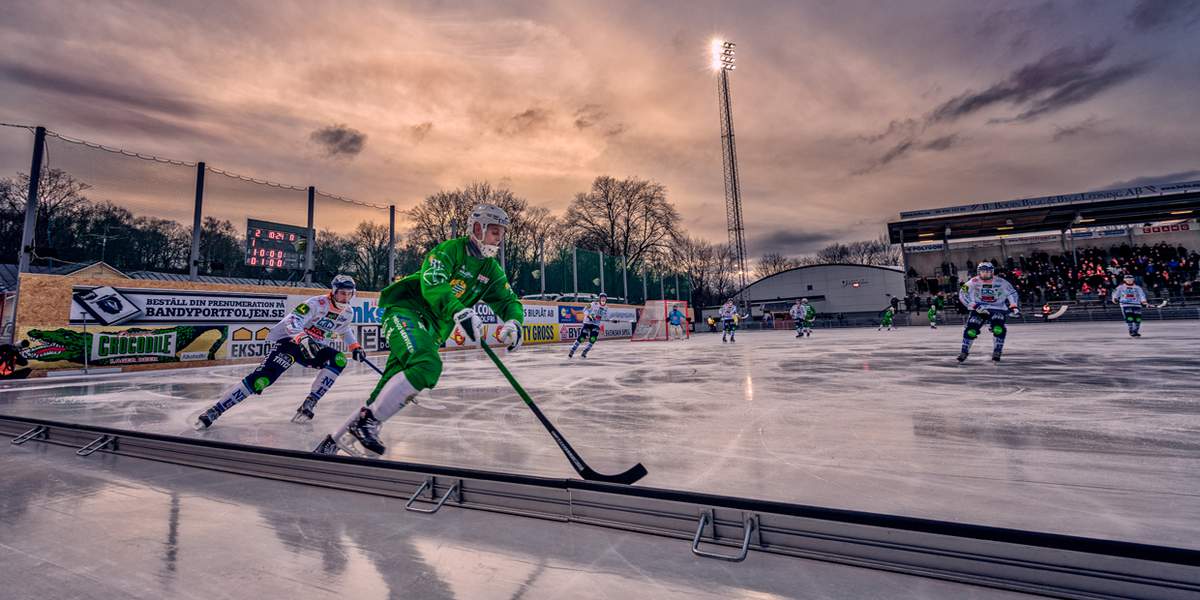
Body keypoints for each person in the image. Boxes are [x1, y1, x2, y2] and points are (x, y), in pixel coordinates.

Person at [314, 204, 523, 457]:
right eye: (494, 231)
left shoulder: (490, 270)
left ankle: (332, 443)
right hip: (407, 311)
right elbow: (433, 282)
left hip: (432, 329)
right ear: (477, 228)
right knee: (427, 365)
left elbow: (508, 300)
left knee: (389, 388)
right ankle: (367, 423)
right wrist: (459, 310)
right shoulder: (449, 250)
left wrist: (514, 322)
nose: (499, 237)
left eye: (502, 232)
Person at [193, 275, 366, 429]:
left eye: (349, 294)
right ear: (334, 292)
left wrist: (355, 347)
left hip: (313, 348)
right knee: (262, 379)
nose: (345, 297)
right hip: (290, 343)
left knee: (339, 359)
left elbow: (344, 330)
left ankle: (310, 402)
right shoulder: (316, 303)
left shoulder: (348, 312)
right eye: (342, 293)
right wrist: (302, 338)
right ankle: (216, 410)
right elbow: (292, 321)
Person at [957, 261, 1020, 363]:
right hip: (979, 309)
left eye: (987, 271)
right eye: (982, 271)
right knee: (971, 329)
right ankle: (964, 351)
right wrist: (974, 305)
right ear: (978, 272)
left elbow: (1012, 293)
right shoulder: (972, 282)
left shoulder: (1001, 282)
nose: (985, 274)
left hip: (997, 308)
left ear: (992, 272)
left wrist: (1014, 306)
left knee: (998, 329)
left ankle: (997, 351)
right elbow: (962, 293)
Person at [569, 293, 611, 358]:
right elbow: (585, 310)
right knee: (582, 337)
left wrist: (611, 320)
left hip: (595, 324)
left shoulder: (606, 308)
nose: (603, 299)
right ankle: (573, 349)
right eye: (602, 297)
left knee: (593, 338)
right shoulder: (593, 304)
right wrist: (589, 315)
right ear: (599, 298)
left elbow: (606, 317)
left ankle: (585, 352)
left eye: (604, 298)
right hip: (587, 322)